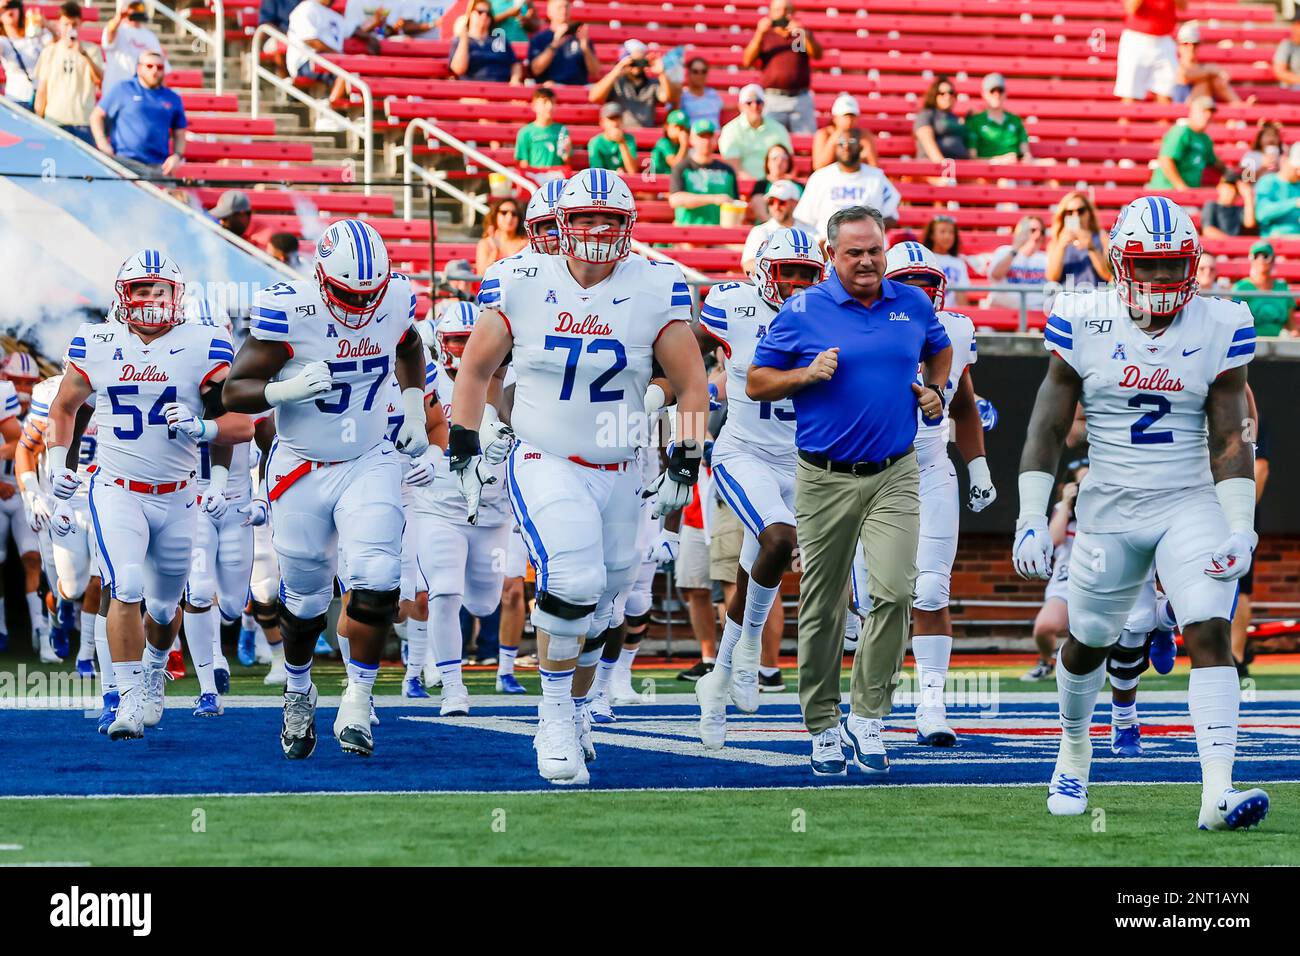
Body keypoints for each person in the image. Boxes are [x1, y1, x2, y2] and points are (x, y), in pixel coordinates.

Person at [1015, 195, 1268, 830]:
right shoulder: (1083, 315)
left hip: (1189, 502)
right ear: (1120, 264)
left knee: (1209, 626)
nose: (1158, 279)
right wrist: (1029, 514)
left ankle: (1217, 793)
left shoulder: (1220, 322)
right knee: (1089, 641)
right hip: (1110, 505)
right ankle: (1074, 752)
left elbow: (1232, 436)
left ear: (1193, 264)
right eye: (1147, 265)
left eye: (1170, 265)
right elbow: (1045, 428)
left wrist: (1240, 524)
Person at [448, 168, 708, 786]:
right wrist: (462, 448)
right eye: (585, 219)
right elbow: (474, 368)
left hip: (622, 463)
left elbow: (692, 381)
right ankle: (555, 713)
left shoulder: (655, 284)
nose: (596, 232)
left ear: (629, 227)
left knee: (603, 607)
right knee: (572, 576)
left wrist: (685, 457)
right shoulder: (520, 279)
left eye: (609, 220)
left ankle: (581, 704)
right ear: (561, 226)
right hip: (546, 455)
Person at [748, 205, 951, 776]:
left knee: (892, 592)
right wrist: (804, 375)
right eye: (854, 252)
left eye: (874, 251)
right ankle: (820, 722)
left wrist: (933, 387)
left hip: (896, 470)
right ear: (831, 255)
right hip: (823, 474)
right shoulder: (803, 309)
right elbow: (757, 381)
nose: (866, 262)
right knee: (825, 602)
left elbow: (939, 348)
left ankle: (868, 714)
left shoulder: (911, 302)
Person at [224, 219, 433, 759]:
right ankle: (298, 688)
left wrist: (412, 405)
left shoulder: (396, 297)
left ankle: (359, 698)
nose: (362, 306)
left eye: (371, 293)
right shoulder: (291, 307)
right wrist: (284, 388)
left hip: (368, 456)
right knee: (306, 601)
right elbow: (232, 391)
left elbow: (408, 347)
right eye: (348, 294)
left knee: (379, 577)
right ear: (321, 278)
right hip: (301, 465)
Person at [46, 250, 239, 739]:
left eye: (160, 289)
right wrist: (56, 464)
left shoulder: (203, 342)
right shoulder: (98, 341)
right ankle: (127, 697)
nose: (150, 299)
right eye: (140, 289)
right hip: (117, 488)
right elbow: (64, 408)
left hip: (179, 495)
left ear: (178, 296)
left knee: (163, 607)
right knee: (125, 586)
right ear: (122, 295)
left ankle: (154, 667)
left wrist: (203, 429)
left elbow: (240, 423)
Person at [849, 241, 995, 746]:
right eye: (906, 285)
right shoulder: (854, 322)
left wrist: (978, 467)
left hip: (930, 467)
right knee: (875, 600)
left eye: (925, 286)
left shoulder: (953, 329)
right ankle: (870, 704)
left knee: (931, 589)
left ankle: (931, 706)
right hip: (868, 472)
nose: (917, 296)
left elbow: (966, 405)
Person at [693, 228, 824, 749]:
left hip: (807, 461)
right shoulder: (731, 304)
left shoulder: (831, 312)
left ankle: (719, 681)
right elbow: (681, 361)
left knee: (757, 569)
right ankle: (749, 642)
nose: (794, 284)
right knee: (777, 539)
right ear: (760, 271)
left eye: (805, 274)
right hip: (744, 450)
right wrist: (683, 439)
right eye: (785, 272)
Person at [403, 302, 501, 713]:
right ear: (440, 343)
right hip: (438, 507)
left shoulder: (502, 377)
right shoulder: (424, 379)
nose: (464, 348)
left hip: (493, 512)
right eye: (457, 339)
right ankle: (452, 686)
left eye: (470, 339)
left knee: (485, 603)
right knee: (443, 590)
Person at [176, 296, 259, 717]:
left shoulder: (243, 379)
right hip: (193, 500)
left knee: (231, 602)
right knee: (200, 589)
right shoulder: (170, 384)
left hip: (238, 501)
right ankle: (209, 684)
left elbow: (265, 438)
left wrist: (261, 494)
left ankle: (224, 649)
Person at [1022, 462, 1087, 682]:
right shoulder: (1063, 510)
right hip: (1065, 581)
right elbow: (1053, 541)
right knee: (1044, 627)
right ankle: (1045, 661)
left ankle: (1096, 666)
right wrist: (1067, 502)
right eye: (1079, 483)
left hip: (1095, 581)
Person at [90, 51, 186, 177]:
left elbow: (179, 133)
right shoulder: (123, 89)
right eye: (149, 66)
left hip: (159, 166)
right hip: (124, 163)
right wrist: (102, 142)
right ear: (139, 68)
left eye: (160, 67)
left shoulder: (172, 98)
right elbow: (96, 116)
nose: (155, 70)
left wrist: (177, 156)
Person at [795, 131, 901, 237]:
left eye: (851, 142)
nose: (846, 147)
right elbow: (803, 219)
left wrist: (868, 227)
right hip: (828, 247)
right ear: (835, 148)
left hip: (867, 246)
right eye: (841, 143)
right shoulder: (820, 177)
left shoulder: (877, 177)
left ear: (860, 146)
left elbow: (892, 218)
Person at [740, 0, 821, 135]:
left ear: (793, 13)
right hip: (773, 98)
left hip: (800, 98)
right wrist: (759, 33)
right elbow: (747, 61)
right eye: (778, 10)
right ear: (771, 13)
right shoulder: (765, 34)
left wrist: (803, 34)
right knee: (770, 140)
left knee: (806, 144)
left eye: (787, 9)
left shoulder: (799, 34)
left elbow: (817, 55)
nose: (783, 13)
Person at [33, 3, 102, 145]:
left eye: (74, 24)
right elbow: (42, 90)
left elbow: (99, 80)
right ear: (59, 24)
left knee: (81, 167)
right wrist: (38, 119)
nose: (70, 29)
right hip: (54, 119)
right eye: (66, 24)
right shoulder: (49, 51)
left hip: (83, 121)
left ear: (80, 24)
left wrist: (83, 53)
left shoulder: (92, 50)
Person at [588, 38, 674, 129]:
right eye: (633, 62)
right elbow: (594, 97)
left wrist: (662, 73)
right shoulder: (615, 82)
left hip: (645, 136)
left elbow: (666, 98)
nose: (636, 67)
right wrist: (617, 70)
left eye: (639, 62)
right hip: (621, 135)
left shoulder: (652, 84)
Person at [668, 119, 739, 226]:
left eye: (709, 136)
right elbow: (675, 199)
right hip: (688, 233)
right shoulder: (681, 168)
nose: (706, 141)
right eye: (701, 136)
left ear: (715, 139)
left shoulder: (727, 171)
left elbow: (735, 202)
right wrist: (713, 199)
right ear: (692, 139)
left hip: (721, 235)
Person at [1113, 0, 1183, 104]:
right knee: (1130, 96)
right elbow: (1131, 8)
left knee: (1166, 95)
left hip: (1164, 39)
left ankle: (1163, 120)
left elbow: (1183, 6)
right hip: (1136, 39)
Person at [718, 84, 793, 181]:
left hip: (774, 185)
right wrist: (758, 187)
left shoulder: (778, 128)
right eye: (749, 103)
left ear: (763, 104)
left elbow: (789, 163)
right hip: (744, 187)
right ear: (740, 106)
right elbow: (734, 167)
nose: (754, 106)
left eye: (758, 102)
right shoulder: (730, 130)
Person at [1148, 96, 1223, 190]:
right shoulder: (1181, 131)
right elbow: (1165, 159)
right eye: (1204, 111)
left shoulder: (1205, 139)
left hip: (1189, 193)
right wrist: (1180, 186)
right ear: (1193, 112)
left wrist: (1231, 174)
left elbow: (1214, 162)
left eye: (1211, 112)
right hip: (1167, 191)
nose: (1208, 115)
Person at [1044, 192, 1111, 290]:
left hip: (1095, 299)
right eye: (1070, 212)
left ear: (1089, 213)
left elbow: (1108, 275)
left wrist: (1091, 248)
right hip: (1067, 300)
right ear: (1063, 215)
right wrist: (1061, 246)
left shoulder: (1102, 237)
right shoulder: (1056, 242)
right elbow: (1052, 277)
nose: (1075, 215)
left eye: (1081, 211)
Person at [742, 179, 810, 273]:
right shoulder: (760, 231)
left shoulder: (810, 230)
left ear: (795, 203)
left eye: (782, 202)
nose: (776, 207)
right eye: (771, 202)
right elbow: (748, 265)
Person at [526, 0, 598, 86]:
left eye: (566, 7)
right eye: (560, 7)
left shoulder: (580, 37)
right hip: (551, 90)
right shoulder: (539, 39)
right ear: (549, 12)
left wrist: (585, 47)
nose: (564, 10)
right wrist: (554, 45)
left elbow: (595, 72)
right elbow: (535, 70)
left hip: (580, 88)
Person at [448, 1, 522, 84]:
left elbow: (515, 64)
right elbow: (459, 69)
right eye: (480, 12)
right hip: (471, 92)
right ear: (470, 15)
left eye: (488, 13)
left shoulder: (500, 40)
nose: (484, 16)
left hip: (501, 91)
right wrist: (464, 38)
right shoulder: (460, 40)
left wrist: (515, 79)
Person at [1231, 241, 1294, 337]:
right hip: (1249, 344)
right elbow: (1234, 324)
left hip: (1278, 344)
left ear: (1273, 260)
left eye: (1265, 256)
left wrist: (1294, 334)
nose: (1261, 260)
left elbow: (1291, 324)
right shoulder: (1241, 288)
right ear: (1251, 259)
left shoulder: (1282, 287)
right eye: (1256, 256)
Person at [100, 0, 163, 96]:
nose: (138, 10)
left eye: (140, 6)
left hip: (140, 94)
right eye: (134, 7)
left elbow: (159, 65)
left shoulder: (150, 36)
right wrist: (118, 18)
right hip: (115, 91)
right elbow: (110, 31)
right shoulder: (118, 30)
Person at [987, 215, 1048, 312]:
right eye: (1033, 230)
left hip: (1035, 315)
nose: (1038, 235)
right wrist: (1015, 249)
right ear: (1021, 232)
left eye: (1042, 232)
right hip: (1003, 312)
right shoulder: (1004, 251)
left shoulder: (1046, 258)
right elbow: (996, 275)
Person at [965, 73, 1031, 162]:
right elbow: (972, 159)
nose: (997, 95)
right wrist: (999, 161)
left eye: (1000, 91)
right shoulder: (975, 122)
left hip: (1016, 172)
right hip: (986, 173)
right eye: (992, 91)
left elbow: (1026, 154)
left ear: (1005, 93)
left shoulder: (1015, 120)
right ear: (984, 94)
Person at [1173, 20, 1242, 104]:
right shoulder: (1174, 66)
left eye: (1194, 44)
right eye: (1186, 43)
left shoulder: (1206, 71)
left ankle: (1240, 107)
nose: (1191, 47)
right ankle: (1241, 109)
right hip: (1184, 112)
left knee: (1215, 81)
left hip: (1202, 111)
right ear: (1179, 46)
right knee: (1205, 81)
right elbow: (1184, 76)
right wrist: (1214, 70)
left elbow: (1223, 78)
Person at [1, 1, 51, 110]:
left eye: (12, 5)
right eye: (4, 8)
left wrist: (46, 25)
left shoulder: (36, 33)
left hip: (41, 99)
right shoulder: (3, 41)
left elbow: (58, 48)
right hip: (16, 99)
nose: (9, 10)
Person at [514, 87, 571, 180]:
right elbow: (523, 163)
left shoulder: (562, 130)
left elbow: (566, 162)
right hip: (534, 177)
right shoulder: (525, 132)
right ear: (534, 105)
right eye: (545, 102)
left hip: (557, 177)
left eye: (552, 102)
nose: (550, 106)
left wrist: (567, 154)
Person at [812, 93, 878, 170]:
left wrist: (866, 149)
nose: (849, 121)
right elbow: (818, 166)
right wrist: (834, 140)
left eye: (852, 116)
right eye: (845, 116)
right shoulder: (824, 134)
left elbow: (875, 168)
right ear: (835, 118)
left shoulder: (864, 136)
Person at [914, 76, 967, 163]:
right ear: (934, 95)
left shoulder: (955, 118)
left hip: (959, 167)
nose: (948, 96)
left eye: (951, 93)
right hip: (933, 168)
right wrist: (943, 166)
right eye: (942, 93)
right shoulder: (926, 115)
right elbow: (927, 142)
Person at [922, 214, 971, 307]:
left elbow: (962, 298)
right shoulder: (925, 258)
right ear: (932, 235)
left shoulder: (959, 263)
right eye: (942, 232)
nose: (948, 236)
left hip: (952, 315)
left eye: (951, 232)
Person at [1253, 142, 1300, 237]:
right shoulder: (1268, 182)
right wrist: (1294, 203)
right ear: (1284, 160)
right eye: (1296, 168)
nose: (1299, 173)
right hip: (1275, 240)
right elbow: (1262, 213)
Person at [474, 196, 528, 275]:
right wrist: (495, 252)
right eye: (504, 212)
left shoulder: (527, 244)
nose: (509, 217)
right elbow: (481, 274)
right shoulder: (485, 244)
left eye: (514, 214)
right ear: (495, 216)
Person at [747, 142, 797, 221]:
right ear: (767, 162)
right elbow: (759, 209)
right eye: (774, 158)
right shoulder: (761, 185)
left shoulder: (796, 186)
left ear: (788, 162)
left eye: (783, 158)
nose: (779, 162)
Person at [1200, 169, 1255, 239]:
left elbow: (1249, 223)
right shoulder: (1211, 205)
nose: (1231, 192)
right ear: (1219, 187)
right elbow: (1208, 230)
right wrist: (1231, 242)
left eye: (1235, 190)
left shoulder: (1238, 209)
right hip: (1217, 245)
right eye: (1228, 188)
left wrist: (1247, 195)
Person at [585, 102, 637, 174]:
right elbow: (596, 172)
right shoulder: (595, 142)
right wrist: (614, 174)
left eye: (617, 118)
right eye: (611, 118)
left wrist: (622, 142)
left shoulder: (629, 139)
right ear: (602, 122)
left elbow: (632, 171)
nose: (615, 123)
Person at [679, 55, 722, 128]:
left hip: (716, 136)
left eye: (704, 71)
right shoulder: (681, 96)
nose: (700, 75)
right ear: (688, 74)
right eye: (695, 71)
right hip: (693, 137)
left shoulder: (713, 94)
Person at [649, 109, 689, 175]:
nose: (679, 130)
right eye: (676, 126)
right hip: (659, 180)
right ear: (667, 126)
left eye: (682, 128)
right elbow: (675, 164)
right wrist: (684, 145)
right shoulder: (663, 143)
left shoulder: (680, 144)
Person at [1273, 11, 1300, 91]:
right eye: (1295, 24)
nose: (1294, 28)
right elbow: (1279, 72)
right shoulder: (1287, 45)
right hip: (1292, 90)